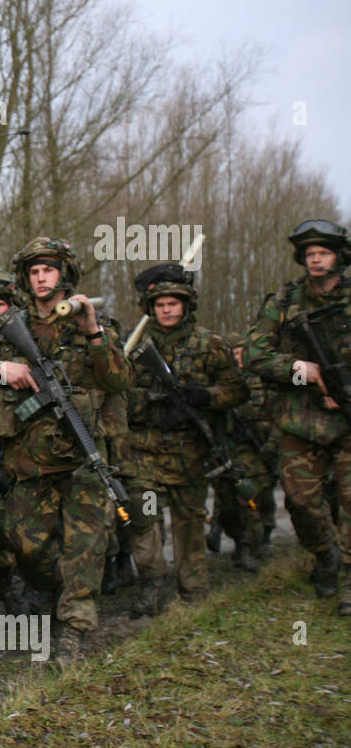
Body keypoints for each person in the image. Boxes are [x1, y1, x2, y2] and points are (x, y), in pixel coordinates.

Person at [0, 236, 131, 664]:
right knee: (26, 547)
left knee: (84, 546)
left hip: (81, 456)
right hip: (28, 459)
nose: (42, 278)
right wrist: (1, 371)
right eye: (35, 271)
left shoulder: (95, 325)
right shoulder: (7, 327)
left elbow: (118, 381)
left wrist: (92, 327)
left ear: (65, 275)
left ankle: (73, 630)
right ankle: (67, 595)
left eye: (50, 270)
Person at [123, 264, 247, 616]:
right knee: (143, 517)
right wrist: (151, 403)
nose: (166, 309)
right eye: (160, 303)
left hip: (191, 454)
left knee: (189, 521)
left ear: (185, 305)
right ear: (151, 307)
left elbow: (238, 390)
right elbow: (118, 393)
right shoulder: (134, 346)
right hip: (144, 452)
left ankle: (193, 589)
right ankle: (150, 584)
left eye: (173, 303)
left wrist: (205, 397)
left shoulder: (209, 344)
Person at [245, 219, 351, 615]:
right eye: (310, 254)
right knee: (301, 502)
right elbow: (255, 353)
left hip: (348, 417)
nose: (316, 260)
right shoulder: (285, 302)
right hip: (300, 419)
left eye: (323, 253)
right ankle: (327, 556)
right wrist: (298, 369)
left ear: (338, 257)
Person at [208, 331, 279, 566]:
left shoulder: (260, 379)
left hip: (258, 449)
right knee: (230, 501)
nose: (237, 359)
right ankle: (241, 543)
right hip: (226, 447)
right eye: (232, 355)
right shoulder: (219, 381)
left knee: (260, 499)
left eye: (240, 354)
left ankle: (257, 541)